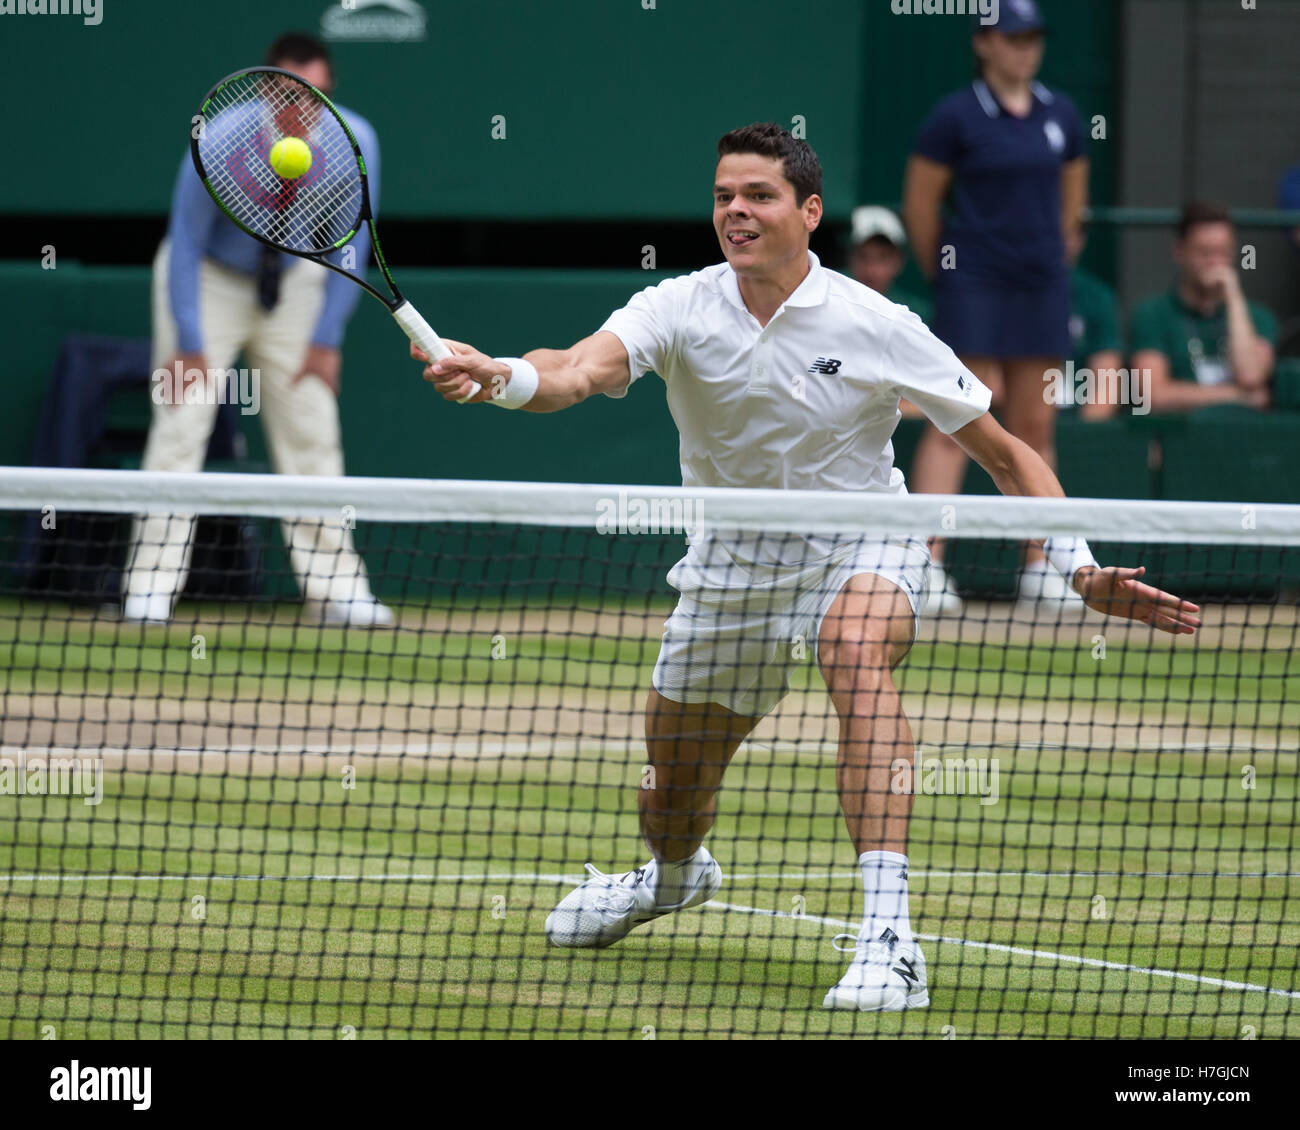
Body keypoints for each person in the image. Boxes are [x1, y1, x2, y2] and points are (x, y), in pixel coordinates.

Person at [410, 123, 1201, 1012]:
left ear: (808, 211)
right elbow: (577, 370)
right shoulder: (678, 307)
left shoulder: (876, 322)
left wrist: (1079, 567)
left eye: (758, 196)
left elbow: (1007, 452)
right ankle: (672, 879)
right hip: (731, 570)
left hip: (860, 542)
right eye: (723, 197)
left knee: (851, 650)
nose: (736, 212)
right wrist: (504, 375)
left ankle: (889, 941)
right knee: (672, 791)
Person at [122, 32, 393, 627]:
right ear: (269, 88)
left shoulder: (356, 142)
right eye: (294, 92)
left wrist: (326, 339)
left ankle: (336, 590)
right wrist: (190, 344)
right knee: (180, 424)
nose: (305, 106)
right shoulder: (220, 137)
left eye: (319, 93)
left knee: (312, 431)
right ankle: (150, 590)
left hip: (295, 283)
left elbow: (349, 250)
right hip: (208, 281)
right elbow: (186, 241)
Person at [900, 0, 1086, 616]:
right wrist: (950, 274)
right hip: (973, 282)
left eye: (1032, 37)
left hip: (1040, 286)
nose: (1023, 48)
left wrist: (1050, 258)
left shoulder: (1063, 115)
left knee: (1036, 426)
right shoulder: (953, 116)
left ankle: (1042, 568)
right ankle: (925, 567)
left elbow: (1071, 209)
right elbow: (922, 208)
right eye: (1011, 37)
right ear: (983, 43)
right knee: (956, 422)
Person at [1129, 201, 1276, 413]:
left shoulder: (1257, 316)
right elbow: (1154, 396)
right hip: (1176, 439)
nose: (1215, 262)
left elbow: (1251, 376)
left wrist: (1233, 296)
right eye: (1204, 252)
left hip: (1241, 437)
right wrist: (1238, 396)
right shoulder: (1151, 314)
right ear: (1180, 252)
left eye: (1223, 252)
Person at [1061, 224, 1125, 419]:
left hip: (1079, 425)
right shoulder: (1004, 295)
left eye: (1065, 234)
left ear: (1080, 239)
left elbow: (1107, 389)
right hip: (1016, 429)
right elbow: (992, 386)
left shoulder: (1097, 296)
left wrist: (1077, 440)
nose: (1056, 243)